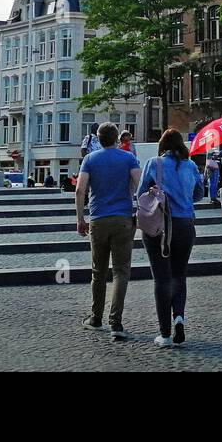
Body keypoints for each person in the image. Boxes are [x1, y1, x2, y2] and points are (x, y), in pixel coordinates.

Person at [139, 129, 206, 347]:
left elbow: (139, 194)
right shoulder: (191, 165)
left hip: (160, 227)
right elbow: (198, 194)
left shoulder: (153, 163)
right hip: (186, 225)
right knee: (179, 274)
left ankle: (165, 334)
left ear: (163, 145)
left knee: (162, 278)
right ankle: (179, 318)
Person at [76, 122, 141, 340]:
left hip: (98, 219)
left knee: (98, 272)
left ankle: (96, 317)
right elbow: (140, 185)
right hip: (123, 218)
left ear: (98, 139)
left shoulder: (90, 159)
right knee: (121, 271)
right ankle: (116, 322)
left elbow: (80, 190)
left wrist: (80, 219)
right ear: (116, 139)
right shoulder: (128, 158)